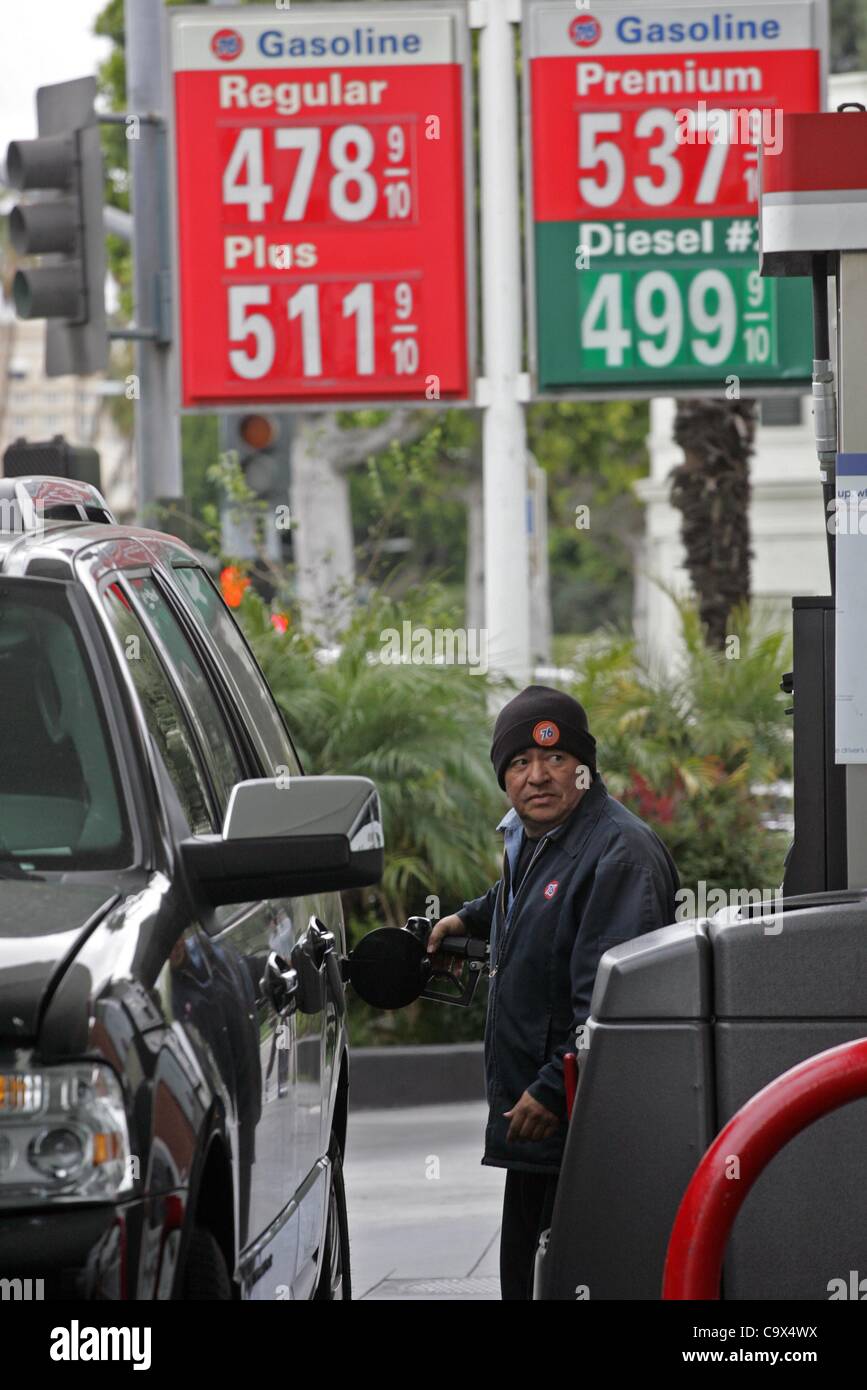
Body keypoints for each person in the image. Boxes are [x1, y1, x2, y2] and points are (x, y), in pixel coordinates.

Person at [427, 685, 679, 1300]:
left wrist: (552, 1086)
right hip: (541, 1132)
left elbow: (614, 1002)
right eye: (520, 763)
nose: (538, 776)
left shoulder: (620, 855)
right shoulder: (536, 836)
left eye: (557, 759)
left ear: (585, 768)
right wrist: (471, 918)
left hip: (581, 1129)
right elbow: (534, 897)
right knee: (528, 1281)